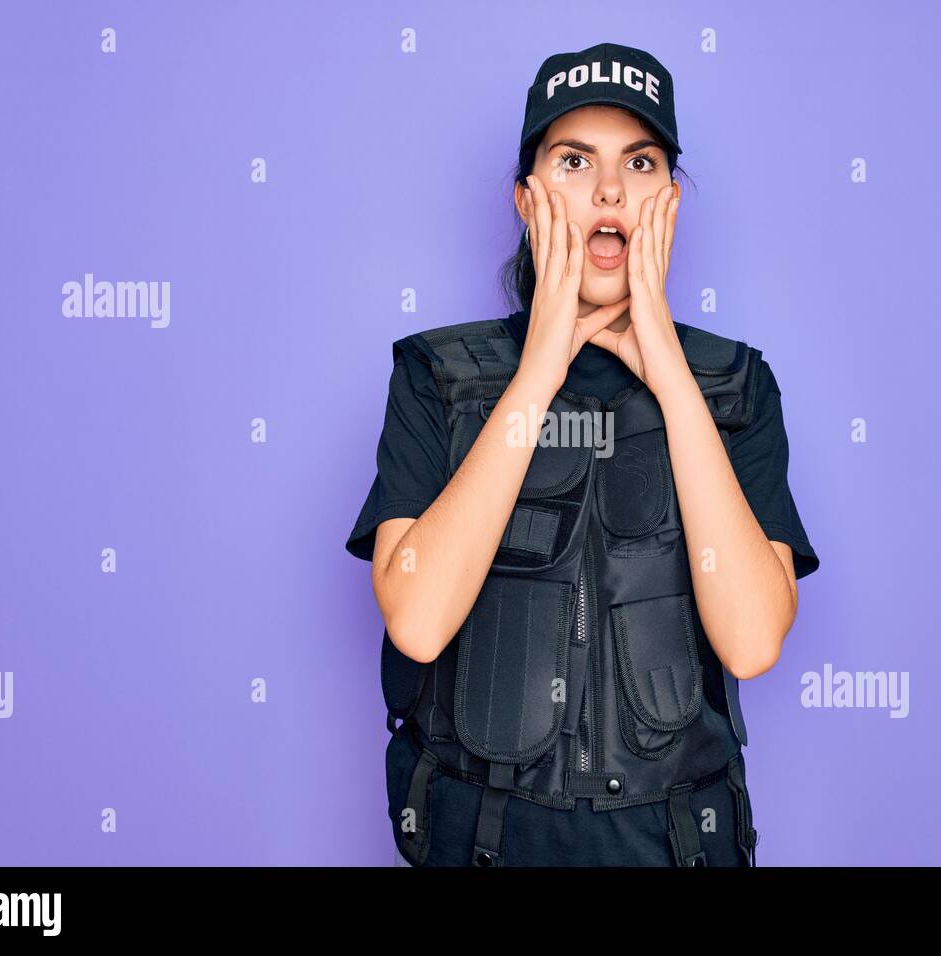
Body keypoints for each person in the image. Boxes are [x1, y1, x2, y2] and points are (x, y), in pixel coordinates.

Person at [346, 42, 819, 867]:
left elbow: (751, 641)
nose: (609, 191)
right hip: (482, 840)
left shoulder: (737, 387)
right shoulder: (435, 376)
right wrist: (537, 375)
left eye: (640, 163)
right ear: (527, 201)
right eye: (574, 161)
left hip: (674, 843)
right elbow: (417, 625)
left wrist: (671, 373)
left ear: (670, 200)